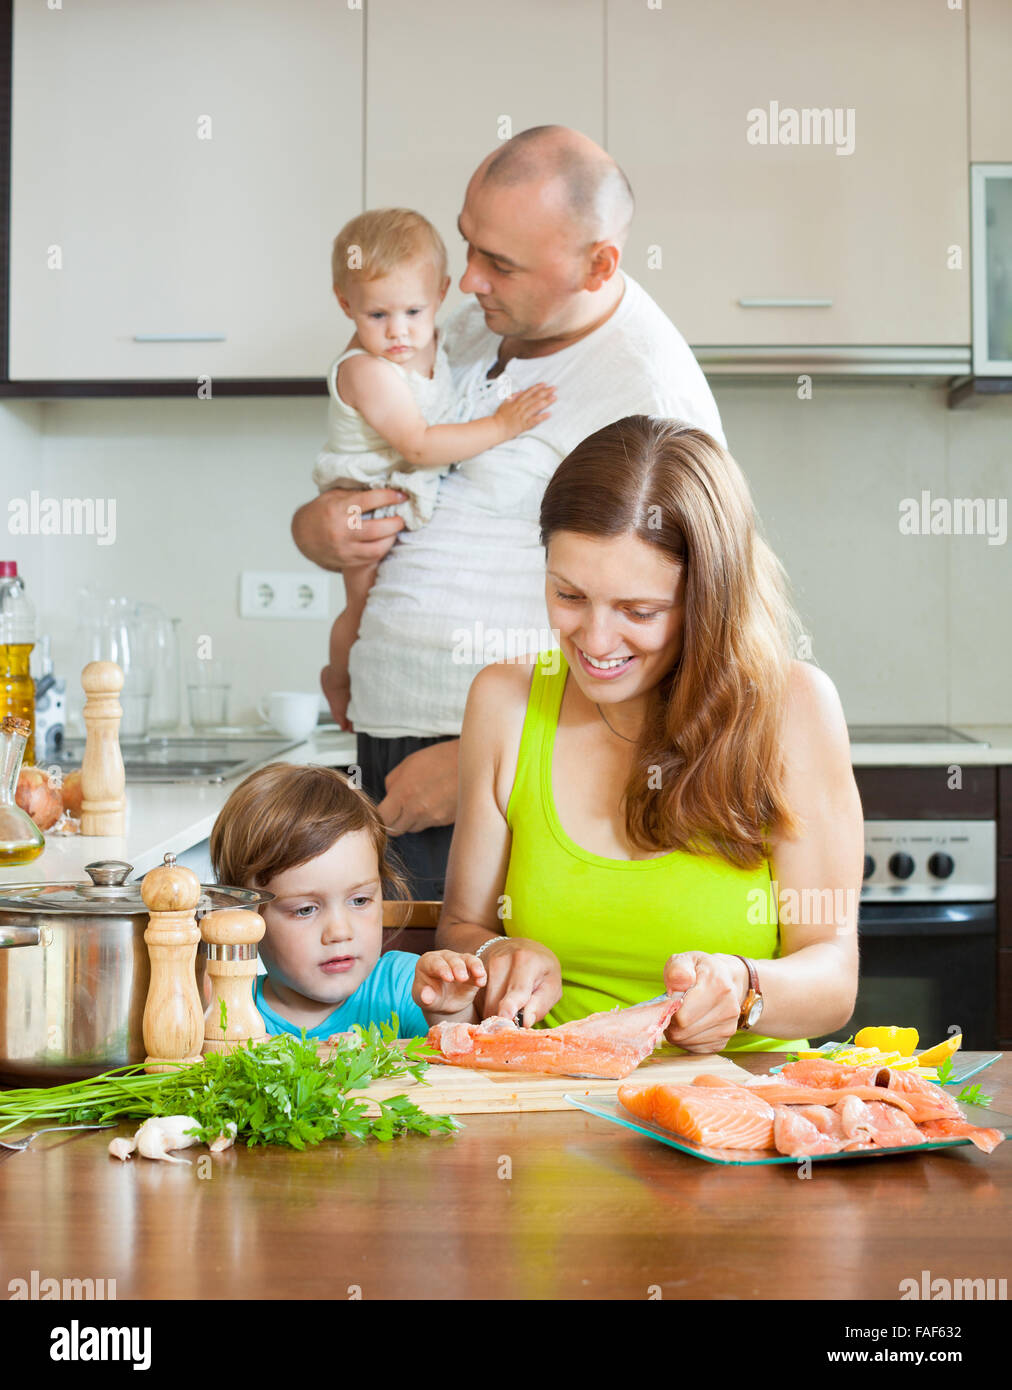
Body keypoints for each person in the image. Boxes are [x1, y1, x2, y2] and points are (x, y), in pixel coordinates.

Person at [292, 125, 724, 898]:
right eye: (468, 246)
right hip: (394, 735)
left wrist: (487, 757)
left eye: (500, 263)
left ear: (599, 264)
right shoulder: (467, 326)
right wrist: (321, 530)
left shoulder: (648, 392)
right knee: (410, 1012)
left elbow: (700, 634)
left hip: (507, 772)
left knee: (500, 1005)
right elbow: (390, 469)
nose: (468, 280)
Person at [434, 416, 863, 1053]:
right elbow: (462, 926)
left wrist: (744, 990)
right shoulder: (505, 702)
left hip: (737, 1111)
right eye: (569, 594)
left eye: (640, 611)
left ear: (707, 602)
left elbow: (831, 974)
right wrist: (498, 951)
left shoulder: (793, 709)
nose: (596, 640)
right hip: (548, 1097)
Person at [315, 208, 555, 730]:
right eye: (377, 316)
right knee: (360, 604)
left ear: (442, 294)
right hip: (369, 492)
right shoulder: (366, 370)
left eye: (413, 312)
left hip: (403, 484)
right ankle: (337, 675)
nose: (398, 332)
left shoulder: (443, 339)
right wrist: (504, 424)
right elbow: (420, 445)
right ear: (345, 303)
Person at [208, 762, 488, 1041]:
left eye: (359, 900)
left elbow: (463, 1059)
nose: (340, 932)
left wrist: (449, 1013)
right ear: (244, 917)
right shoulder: (227, 1011)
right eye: (305, 910)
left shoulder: (406, 986)